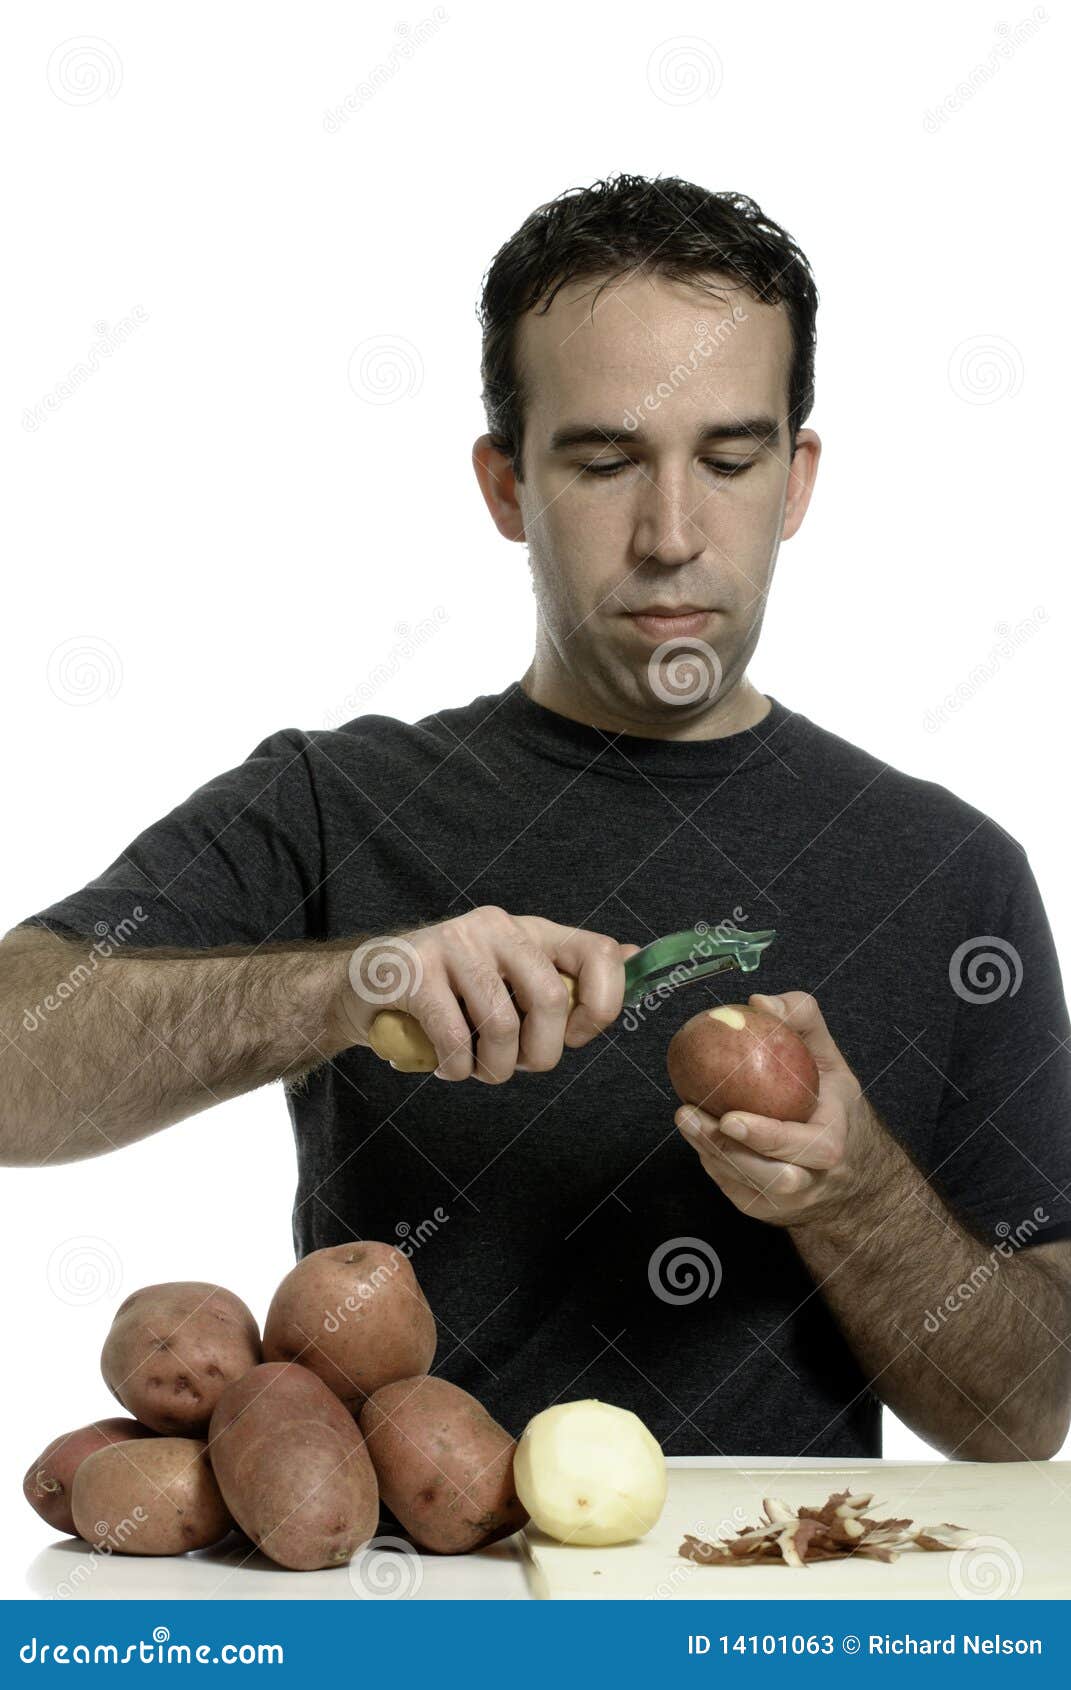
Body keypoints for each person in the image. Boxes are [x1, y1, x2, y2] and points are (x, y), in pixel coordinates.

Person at [3, 174, 1068, 1463]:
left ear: (797, 481)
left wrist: (857, 1198)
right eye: (605, 461)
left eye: (728, 461)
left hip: (773, 1622)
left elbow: (1028, 1413)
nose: (674, 535)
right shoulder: (339, 806)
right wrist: (351, 986)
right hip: (412, 1624)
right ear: (506, 486)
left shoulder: (950, 873)